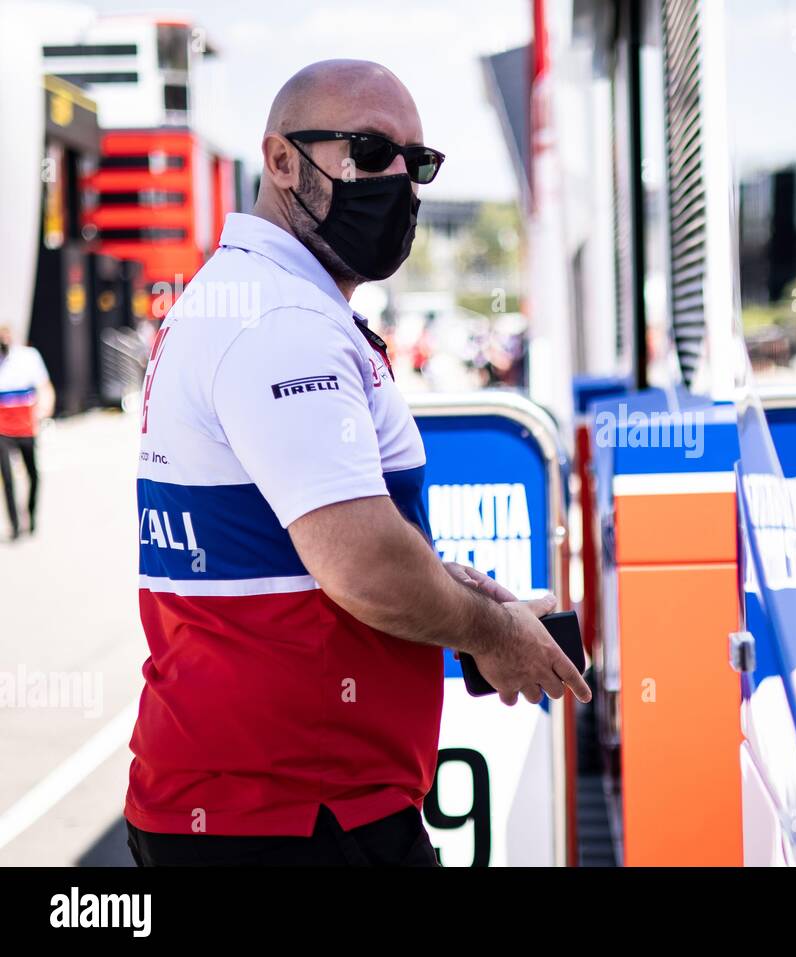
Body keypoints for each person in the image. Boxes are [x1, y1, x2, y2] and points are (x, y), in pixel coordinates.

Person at [126, 60, 590, 868]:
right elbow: (362, 564)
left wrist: (454, 587)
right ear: (280, 160)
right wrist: (491, 634)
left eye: (418, 163)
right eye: (371, 153)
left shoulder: (263, 299)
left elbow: (301, 543)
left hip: (277, 803)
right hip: (291, 813)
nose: (399, 183)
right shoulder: (278, 319)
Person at [0, 323, 54, 540]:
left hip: (25, 426)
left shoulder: (28, 357)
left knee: (33, 474)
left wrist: (44, 410)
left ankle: (30, 515)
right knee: (7, 476)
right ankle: (14, 525)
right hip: (3, 428)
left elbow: (45, 386)